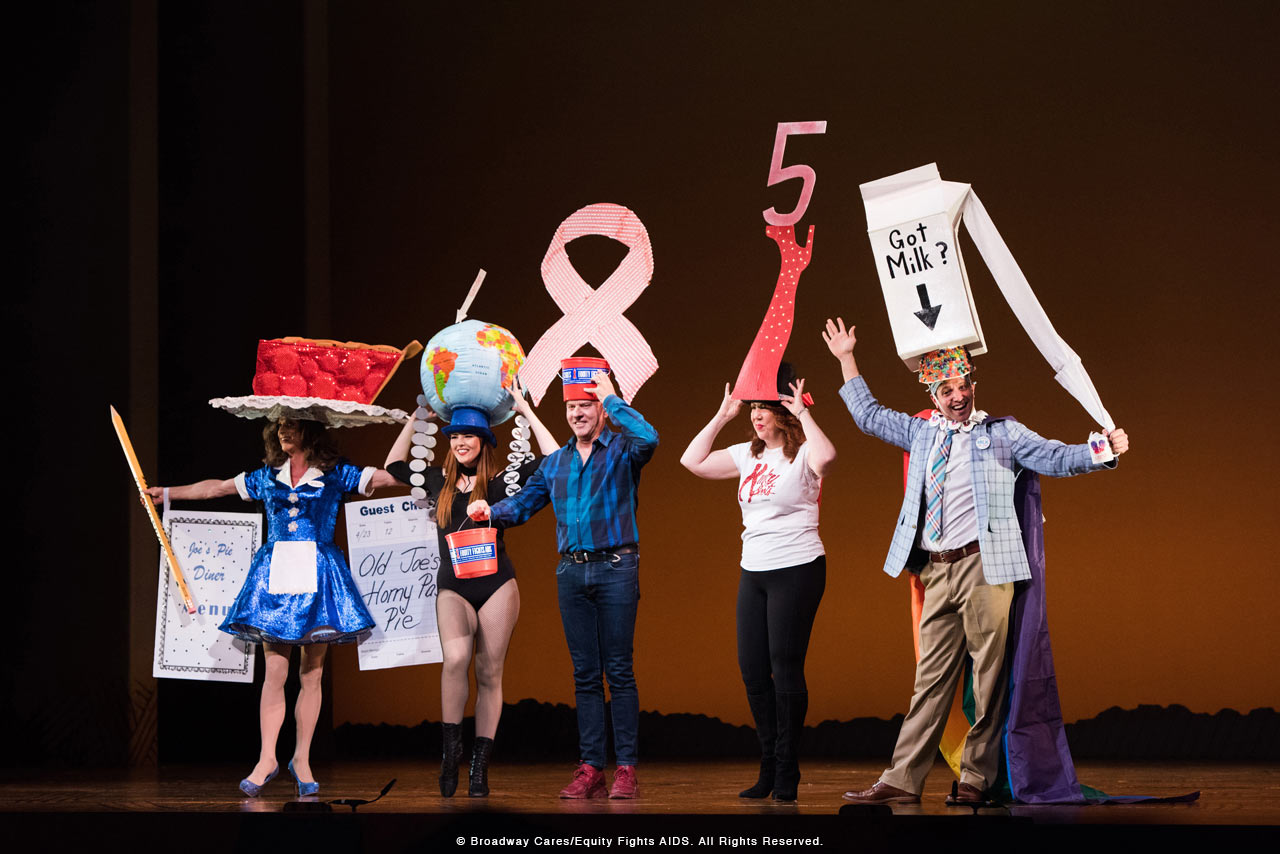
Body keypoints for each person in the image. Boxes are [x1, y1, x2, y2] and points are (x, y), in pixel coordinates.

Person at [822, 318, 1130, 806]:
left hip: (985, 568)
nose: (957, 395)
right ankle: (901, 779)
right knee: (929, 682)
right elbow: (868, 415)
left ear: (972, 385)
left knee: (989, 678)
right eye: (946, 389)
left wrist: (1101, 450)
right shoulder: (921, 432)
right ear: (933, 393)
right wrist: (846, 358)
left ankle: (976, 779)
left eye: (963, 385)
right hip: (936, 570)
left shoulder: (1001, 433)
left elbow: (1054, 456)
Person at [148, 417, 399, 798]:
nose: (283, 430)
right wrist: (167, 493)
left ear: (310, 430)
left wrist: (439, 477)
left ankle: (301, 759)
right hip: (276, 577)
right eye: (279, 424)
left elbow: (387, 477)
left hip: (318, 577)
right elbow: (217, 487)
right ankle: (267, 759)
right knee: (275, 674)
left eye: (292, 424)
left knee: (311, 674)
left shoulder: (336, 474)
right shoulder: (267, 477)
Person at [466, 365, 658, 799]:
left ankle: (626, 768)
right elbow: (523, 503)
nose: (577, 414)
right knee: (585, 675)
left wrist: (611, 398)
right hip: (571, 572)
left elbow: (649, 438)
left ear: (601, 409)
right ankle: (591, 768)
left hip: (616, 568)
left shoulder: (622, 450)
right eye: (571, 407)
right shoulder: (556, 463)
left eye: (585, 405)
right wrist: (491, 512)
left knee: (619, 670)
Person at [384, 378, 560, 797]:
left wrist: (526, 411)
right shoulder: (438, 482)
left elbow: (556, 460)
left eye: (469, 436)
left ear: (484, 441)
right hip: (453, 587)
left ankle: (479, 768)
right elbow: (393, 465)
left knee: (489, 671)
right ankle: (450, 756)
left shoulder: (504, 481)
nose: (460, 442)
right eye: (455, 436)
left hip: (497, 585)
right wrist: (416, 419)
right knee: (456, 659)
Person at [679, 367, 837, 802]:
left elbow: (827, 457)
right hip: (754, 569)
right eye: (753, 408)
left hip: (798, 565)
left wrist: (803, 412)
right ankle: (768, 762)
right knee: (752, 669)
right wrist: (722, 416)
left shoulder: (803, 454)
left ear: (782, 411)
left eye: (765, 407)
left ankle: (787, 767)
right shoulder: (747, 455)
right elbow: (691, 461)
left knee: (785, 666)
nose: (756, 415)